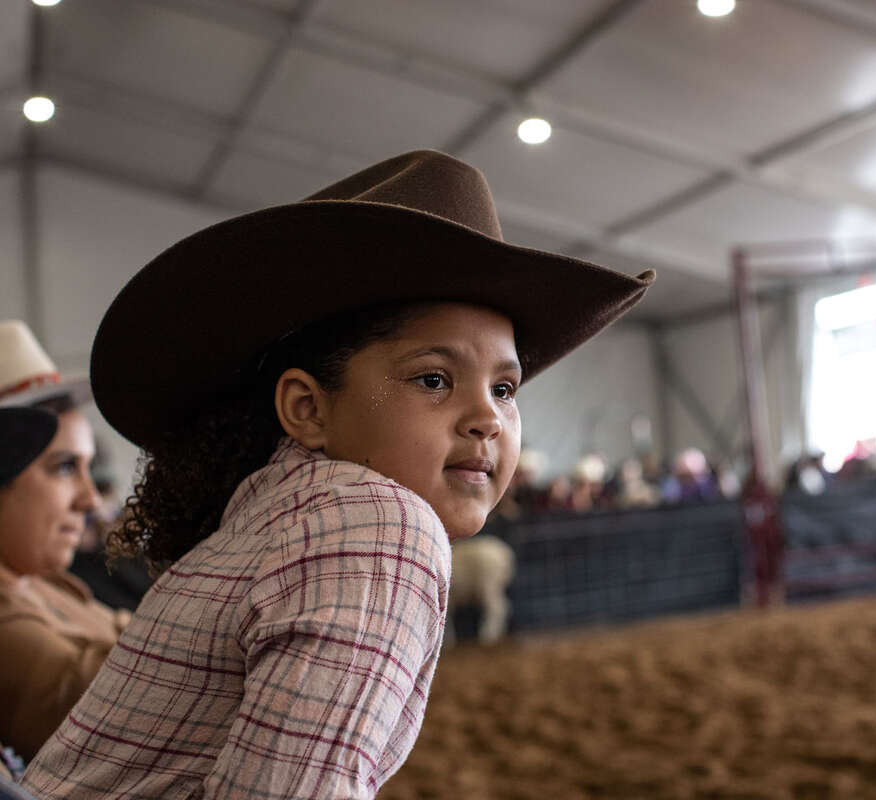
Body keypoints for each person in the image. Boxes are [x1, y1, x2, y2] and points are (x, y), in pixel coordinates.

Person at [22, 150, 653, 799]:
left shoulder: (281, 512)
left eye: (506, 387)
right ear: (308, 410)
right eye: (433, 379)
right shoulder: (378, 523)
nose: (487, 419)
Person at [0, 322, 131, 769]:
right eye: (62, 468)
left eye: (87, 468)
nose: (90, 499)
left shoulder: (42, 582)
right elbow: (101, 709)